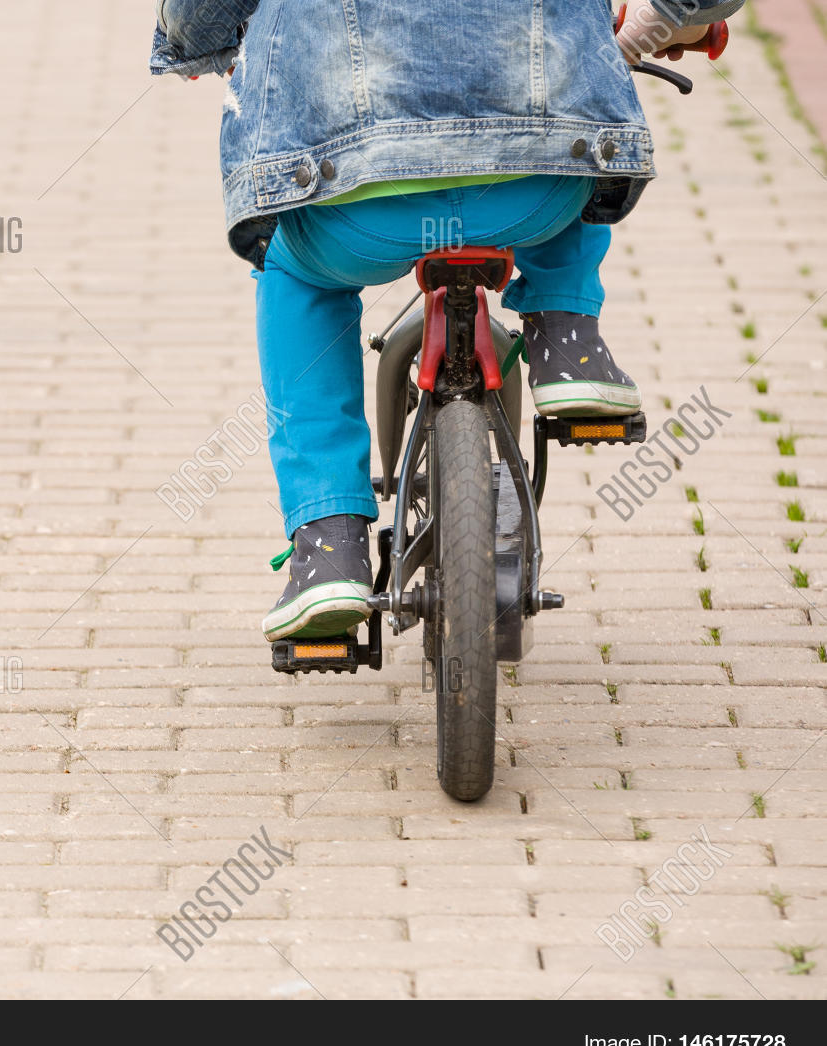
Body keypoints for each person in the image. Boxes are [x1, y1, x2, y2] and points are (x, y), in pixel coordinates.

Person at [151, 0, 744, 642]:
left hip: (356, 208)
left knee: (293, 273)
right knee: (575, 137)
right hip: (532, 195)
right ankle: (569, 341)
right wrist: (660, 20)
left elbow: (198, 13)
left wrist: (197, 43)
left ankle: (328, 544)